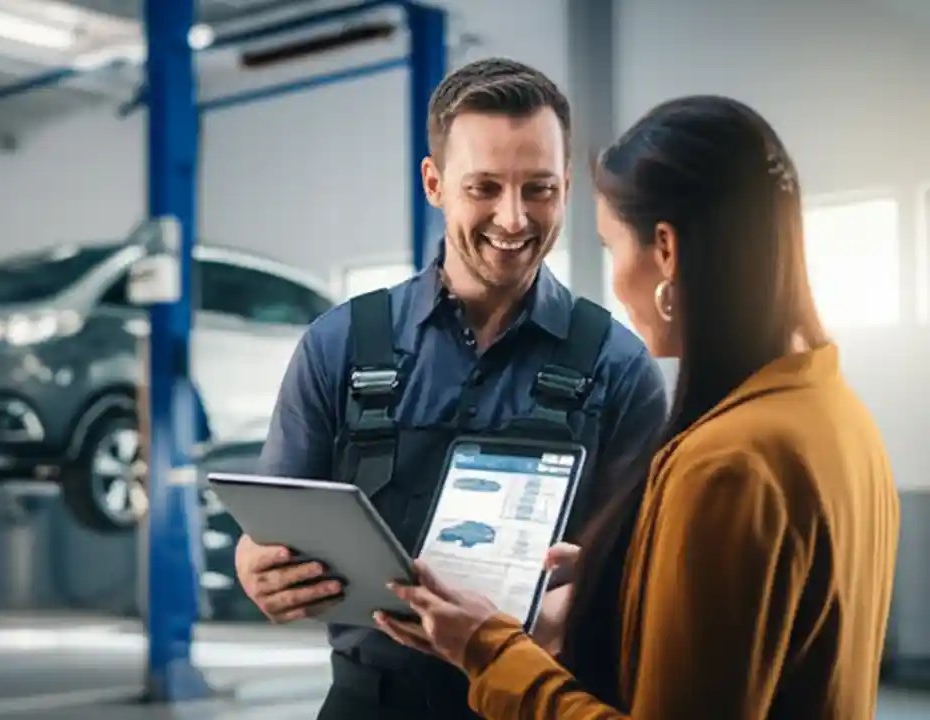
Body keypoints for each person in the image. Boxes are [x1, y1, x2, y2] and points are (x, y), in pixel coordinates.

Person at [375, 94, 901, 719]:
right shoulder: (835, 413)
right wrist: (626, 577)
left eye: (610, 246)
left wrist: (487, 650)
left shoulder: (726, 464)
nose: (616, 279)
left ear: (667, 251)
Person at [233, 58, 670, 719]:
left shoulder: (620, 366)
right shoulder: (341, 345)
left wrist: (591, 600)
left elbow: (652, 572)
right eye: (485, 187)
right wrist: (253, 563)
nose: (515, 219)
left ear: (569, 187)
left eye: (540, 189)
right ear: (435, 183)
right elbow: (277, 518)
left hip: (536, 702)